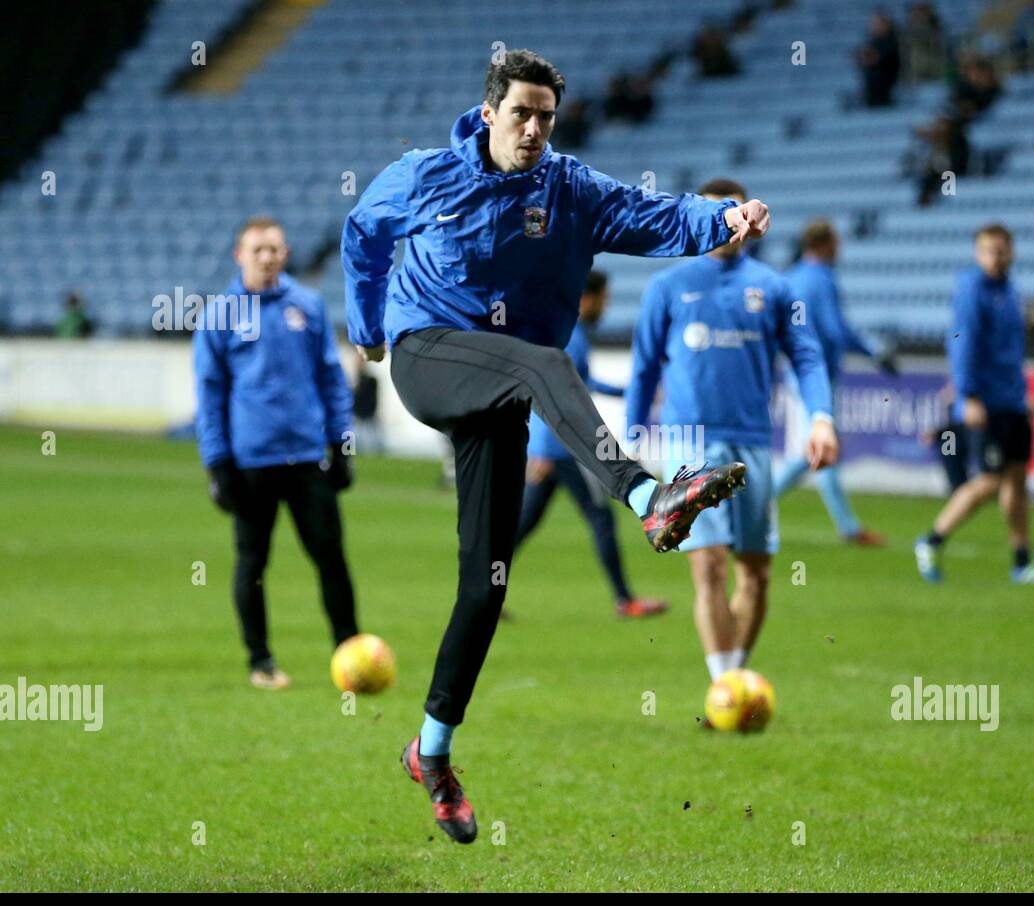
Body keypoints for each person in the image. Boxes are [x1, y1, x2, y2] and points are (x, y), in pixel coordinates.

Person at [341, 50, 768, 844]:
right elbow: (363, 231)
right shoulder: (425, 174)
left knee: (485, 585)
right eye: (521, 114)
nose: (534, 129)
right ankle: (648, 496)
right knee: (545, 363)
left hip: (503, 388)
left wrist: (725, 217)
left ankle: (429, 754)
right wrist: (367, 328)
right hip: (430, 355)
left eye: (546, 117)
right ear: (489, 110)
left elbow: (656, 215)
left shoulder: (570, 188)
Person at [625, 178, 837, 690]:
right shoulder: (667, 286)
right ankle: (723, 686)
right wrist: (632, 440)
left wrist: (821, 417)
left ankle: (735, 681)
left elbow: (807, 357)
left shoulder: (774, 287)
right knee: (710, 567)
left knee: (757, 572)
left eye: (735, 211)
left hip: (753, 440)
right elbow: (645, 367)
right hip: (689, 443)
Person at [194, 216, 360, 690]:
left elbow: (331, 380)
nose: (266, 257)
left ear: (285, 254)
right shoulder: (220, 315)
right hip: (251, 465)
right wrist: (217, 464)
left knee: (332, 559)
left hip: (308, 459)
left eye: (274, 249)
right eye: (257, 249)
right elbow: (210, 395)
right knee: (252, 563)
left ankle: (350, 658)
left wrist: (341, 445)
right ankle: (260, 661)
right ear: (239, 255)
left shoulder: (306, 307)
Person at [913, 224, 1034, 586]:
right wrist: (969, 395)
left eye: (1001, 250)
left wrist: (1021, 393)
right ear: (977, 254)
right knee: (991, 480)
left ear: (1011, 252)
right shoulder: (972, 291)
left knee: (1017, 479)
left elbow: (1010, 351)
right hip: (986, 402)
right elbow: (961, 344)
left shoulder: (1011, 291)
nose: (995, 257)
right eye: (988, 251)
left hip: (1011, 400)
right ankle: (931, 540)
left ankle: (1022, 561)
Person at [514, 270, 669, 619]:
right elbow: (547, 393)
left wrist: (627, 392)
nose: (607, 305)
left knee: (524, 524)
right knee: (601, 519)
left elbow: (581, 383)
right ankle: (624, 600)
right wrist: (540, 449)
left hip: (555, 450)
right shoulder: (571, 336)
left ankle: (483, 590)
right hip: (565, 450)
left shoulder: (569, 332)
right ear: (587, 299)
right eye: (604, 299)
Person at [773, 219, 893, 546]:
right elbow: (835, 328)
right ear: (825, 244)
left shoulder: (790, 277)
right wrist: (874, 351)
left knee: (818, 450)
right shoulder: (822, 279)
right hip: (818, 376)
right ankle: (754, 502)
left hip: (796, 371)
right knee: (811, 451)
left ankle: (848, 526)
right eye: (836, 242)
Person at [855, 12, 902, 108]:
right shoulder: (873, 41)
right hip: (874, 83)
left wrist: (869, 57)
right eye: (873, 24)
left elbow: (879, 57)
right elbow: (862, 57)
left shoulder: (893, 40)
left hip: (888, 79)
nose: (875, 27)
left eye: (878, 24)